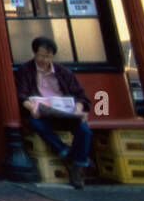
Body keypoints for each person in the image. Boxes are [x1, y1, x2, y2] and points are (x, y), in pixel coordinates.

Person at [16, 36, 91, 189]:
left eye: (48, 56)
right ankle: (64, 151)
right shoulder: (26, 71)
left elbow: (81, 96)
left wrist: (78, 109)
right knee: (37, 122)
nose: (44, 60)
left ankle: (77, 164)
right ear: (34, 53)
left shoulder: (63, 72)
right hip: (42, 111)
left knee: (84, 131)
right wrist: (32, 108)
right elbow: (21, 95)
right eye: (41, 56)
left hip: (64, 111)